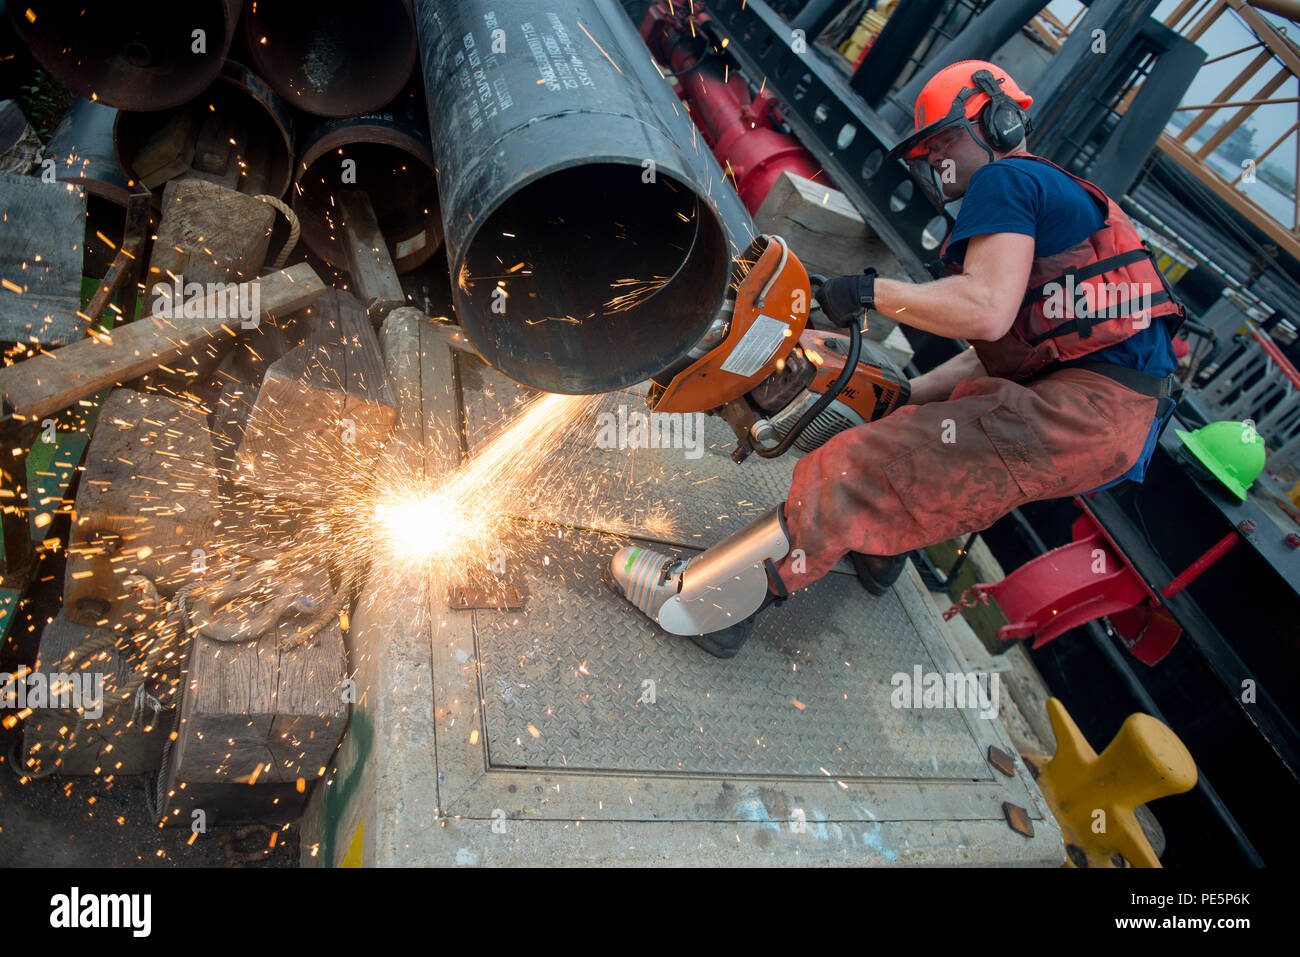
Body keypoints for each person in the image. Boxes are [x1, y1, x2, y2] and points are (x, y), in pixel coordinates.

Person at [609, 59, 1184, 659]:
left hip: (1081, 410)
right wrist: (903, 398)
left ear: (997, 119)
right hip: (1102, 416)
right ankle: (879, 554)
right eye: (926, 150)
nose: (936, 162)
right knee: (928, 435)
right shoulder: (1059, 201)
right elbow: (1000, 356)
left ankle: (703, 603)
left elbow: (984, 311)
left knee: (859, 468)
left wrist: (864, 292)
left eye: (944, 141)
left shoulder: (1007, 180)